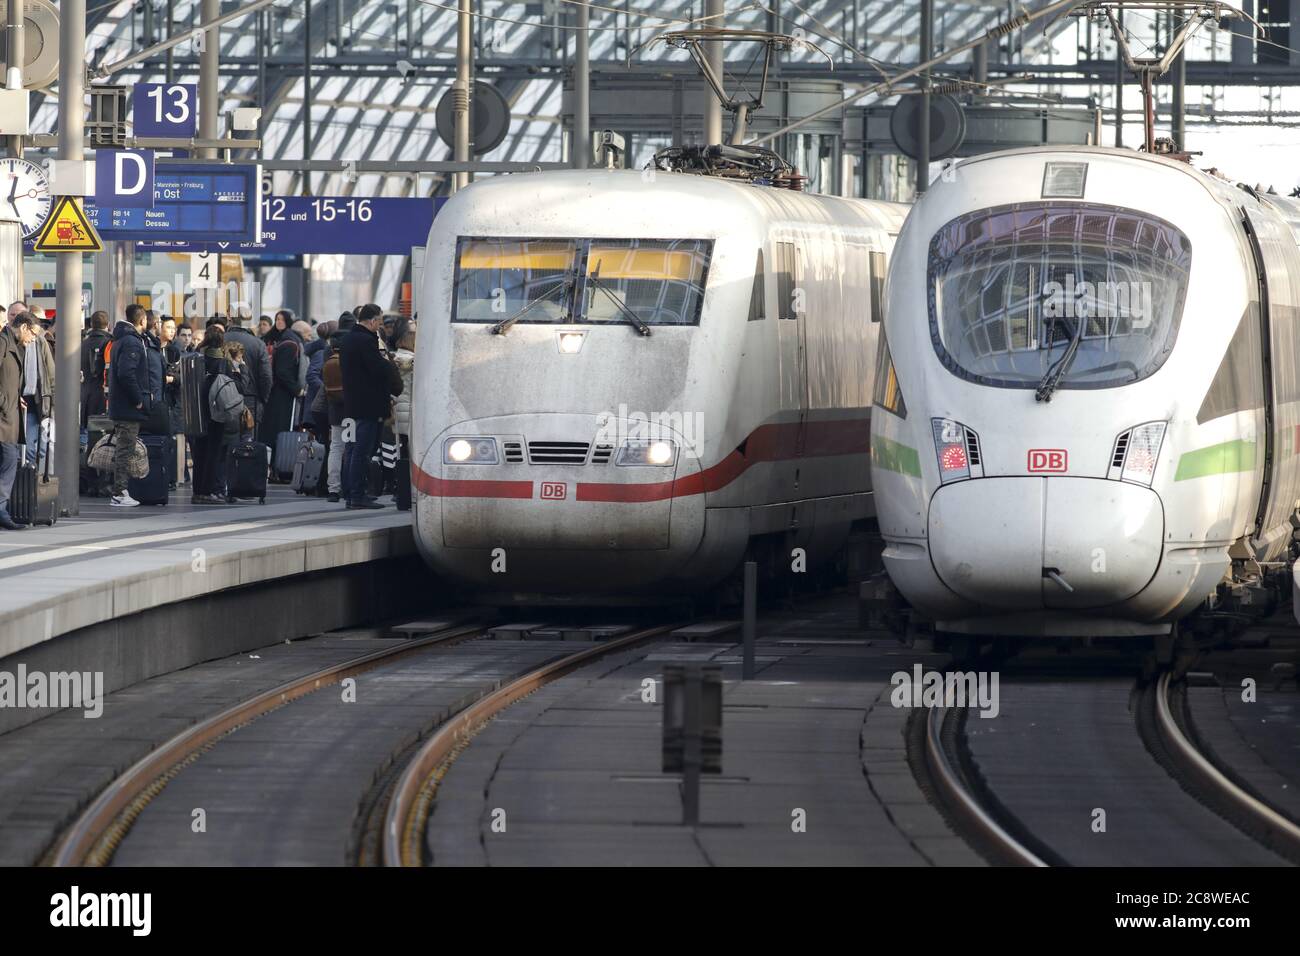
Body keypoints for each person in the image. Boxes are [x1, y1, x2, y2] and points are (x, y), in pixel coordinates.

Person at [340, 304, 402, 510]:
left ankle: (351, 493)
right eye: (379, 321)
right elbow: (376, 369)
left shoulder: (348, 338)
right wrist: (389, 363)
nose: (380, 326)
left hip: (353, 402)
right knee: (363, 450)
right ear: (373, 321)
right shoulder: (367, 340)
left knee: (353, 448)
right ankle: (358, 495)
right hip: (368, 404)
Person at [105, 303, 152, 508]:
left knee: (124, 448)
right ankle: (119, 492)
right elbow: (127, 373)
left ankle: (120, 490)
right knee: (125, 449)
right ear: (142, 320)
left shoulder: (120, 340)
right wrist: (138, 399)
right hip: (128, 407)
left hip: (120, 405)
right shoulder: (132, 342)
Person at [0, 313, 37, 529]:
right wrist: (5, 402)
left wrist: (15, 397)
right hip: (4, 418)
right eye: (32, 333)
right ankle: (1, 510)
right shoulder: (4, 342)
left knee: (8, 461)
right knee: (9, 461)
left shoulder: (14, 345)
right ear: (23, 327)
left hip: (8, 416)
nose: (32, 339)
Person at [191, 325, 234, 504]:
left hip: (198, 412)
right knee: (213, 453)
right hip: (217, 412)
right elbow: (233, 386)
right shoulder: (224, 362)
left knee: (199, 453)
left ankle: (198, 491)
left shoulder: (197, 358)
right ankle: (209, 491)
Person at [258, 315, 305, 447]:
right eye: (277, 319)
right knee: (281, 428)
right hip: (283, 393)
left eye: (282, 319)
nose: (279, 322)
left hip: (273, 390)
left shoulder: (279, 340)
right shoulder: (290, 343)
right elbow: (283, 372)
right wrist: (296, 389)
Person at [20, 307, 55, 471]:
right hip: (22, 401)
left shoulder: (41, 342)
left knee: (40, 447)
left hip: (39, 400)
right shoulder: (14, 343)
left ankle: (34, 479)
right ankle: (28, 480)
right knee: (28, 447)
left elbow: (50, 372)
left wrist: (53, 401)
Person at [225, 318, 272, 432]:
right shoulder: (258, 344)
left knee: (223, 441)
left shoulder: (221, 339)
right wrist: (263, 399)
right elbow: (266, 376)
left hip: (222, 398)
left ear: (231, 321)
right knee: (248, 443)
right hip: (251, 400)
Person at [81, 311, 112, 427]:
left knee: (85, 434)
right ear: (108, 324)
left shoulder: (82, 344)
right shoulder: (109, 343)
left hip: (85, 395)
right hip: (103, 397)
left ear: (91, 324)